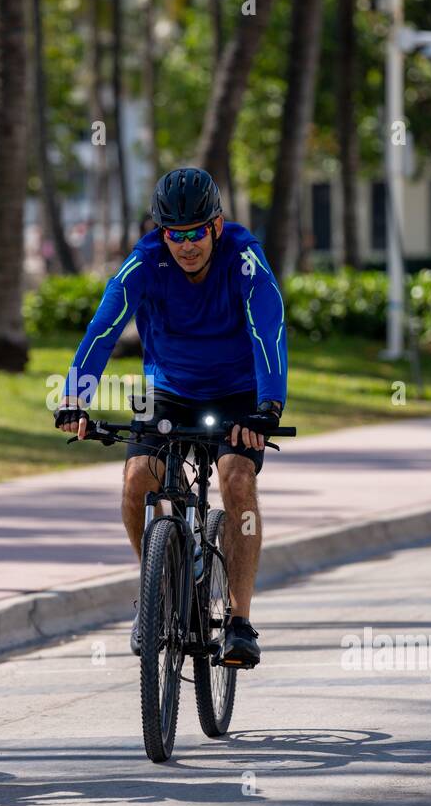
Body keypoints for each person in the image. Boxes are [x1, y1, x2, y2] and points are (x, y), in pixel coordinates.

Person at [53, 167, 288, 667]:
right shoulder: (145, 262)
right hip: (168, 389)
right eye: (174, 234)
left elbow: (268, 330)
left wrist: (268, 406)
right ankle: (156, 590)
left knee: (237, 477)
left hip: (239, 392)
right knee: (138, 477)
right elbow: (102, 329)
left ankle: (240, 622)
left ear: (217, 226)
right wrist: (76, 396)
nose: (185, 245)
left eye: (196, 232)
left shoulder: (245, 259)